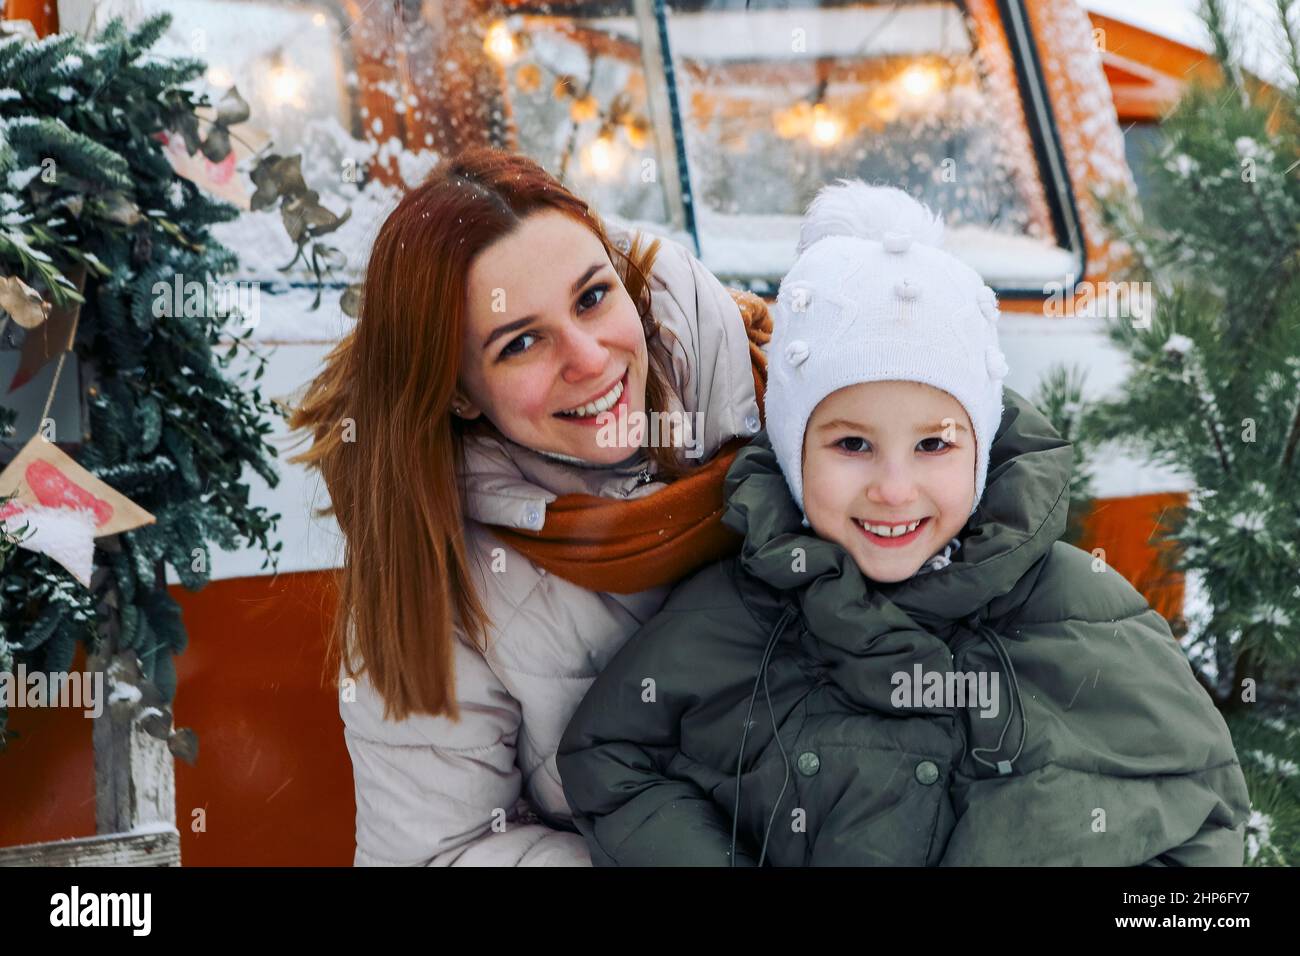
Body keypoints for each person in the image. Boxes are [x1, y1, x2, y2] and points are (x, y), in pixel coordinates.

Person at [556, 181, 1251, 865]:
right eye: (852, 444)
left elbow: (1204, 813)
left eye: (934, 444)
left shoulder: (1087, 614)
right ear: (795, 452)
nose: (894, 488)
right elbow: (610, 759)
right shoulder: (731, 616)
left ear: (979, 449)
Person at [288, 147, 772, 865]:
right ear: (456, 391)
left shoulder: (795, 397)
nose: (588, 358)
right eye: (520, 342)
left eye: (592, 298)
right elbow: (437, 854)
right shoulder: (433, 565)